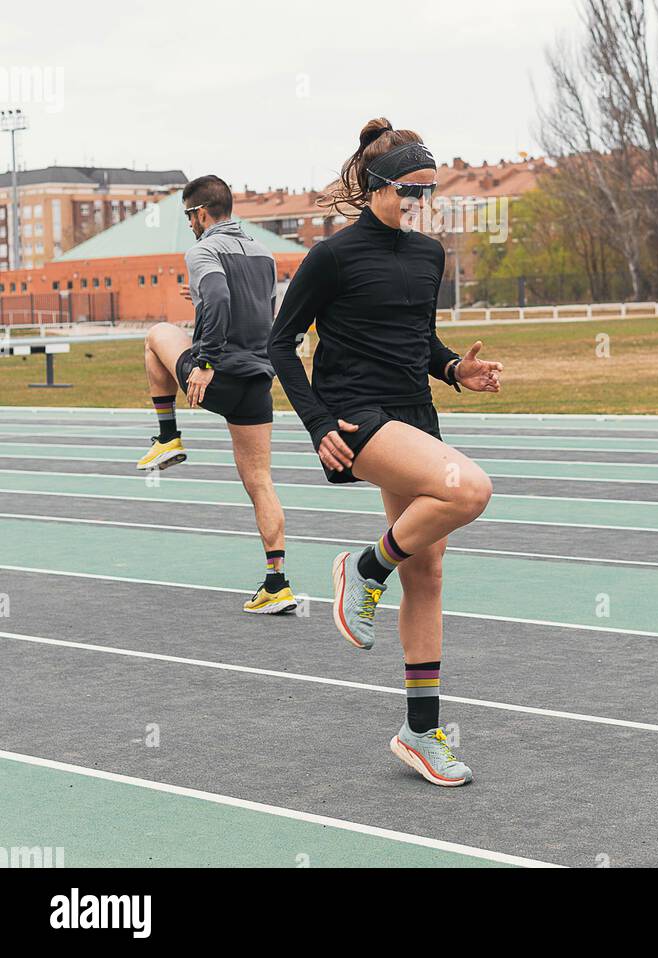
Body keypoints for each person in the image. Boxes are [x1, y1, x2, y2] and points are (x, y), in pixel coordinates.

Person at [268, 119, 502, 787]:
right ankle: (363, 569)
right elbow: (280, 344)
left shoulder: (427, 254)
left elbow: (417, 344)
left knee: (426, 578)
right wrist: (316, 424)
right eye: (408, 190)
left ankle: (420, 732)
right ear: (376, 185)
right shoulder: (332, 257)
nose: (417, 204)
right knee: (469, 490)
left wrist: (457, 370)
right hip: (355, 416)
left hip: (413, 415)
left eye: (427, 193)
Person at [136, 174, 298, 616]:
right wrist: (203, 303)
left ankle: (167, 435)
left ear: (202, 212)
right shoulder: (263, 254)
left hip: (215, 375)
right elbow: (261, 312)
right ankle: (277, 583)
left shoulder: (202, 250)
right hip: (255, 383)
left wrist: (205, 363)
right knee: (260, 481)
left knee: (156, 335)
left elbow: (220, 295)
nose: (189, 224)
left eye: (189, 215)